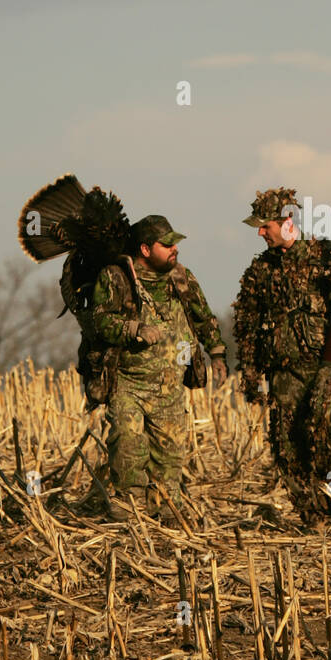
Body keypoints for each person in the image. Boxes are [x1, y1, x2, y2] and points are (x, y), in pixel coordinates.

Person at [233, 187, 331, 526]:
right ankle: (311, 514)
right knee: (286, 443)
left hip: (325, 365)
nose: (260, 232)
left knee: (329, 435)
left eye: (264, 225)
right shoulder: (260, 272)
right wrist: (250, 372)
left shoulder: (325, 256)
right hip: (283, 371)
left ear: (287, 223)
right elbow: (247, 325)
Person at [91, 214, 227, 520]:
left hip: (170, 384)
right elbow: (98, 320)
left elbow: (204, 317)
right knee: (127, 441)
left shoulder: (181, 277)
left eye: (175, 242)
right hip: (129, 381)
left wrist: (217, 353)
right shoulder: (116, 278)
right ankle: (130, 508)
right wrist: (131, 329)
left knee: (170, 454)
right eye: (166, 244)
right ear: (145, 249)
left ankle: (166, 511)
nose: (174, 248)